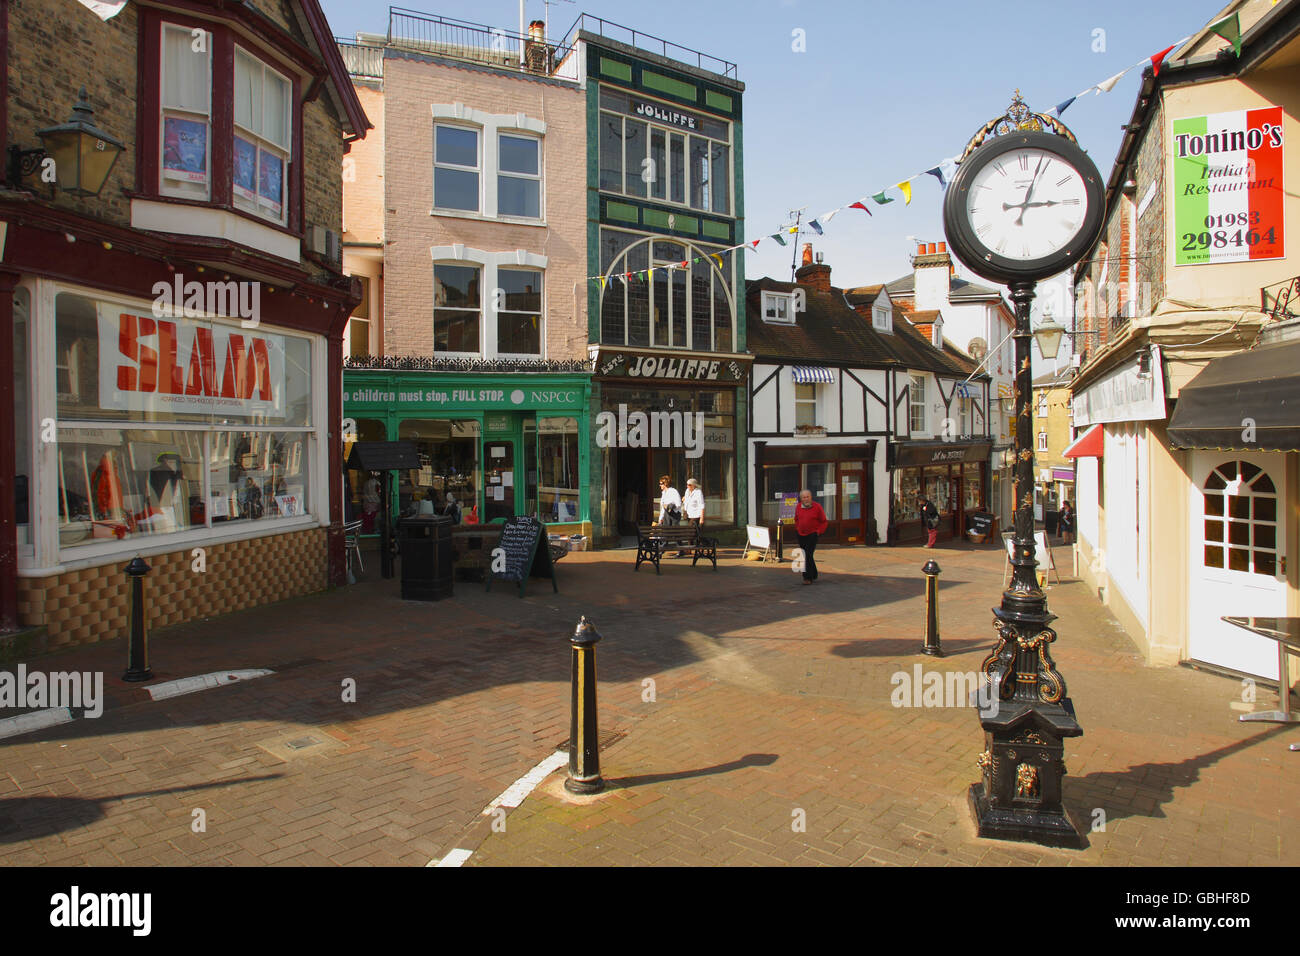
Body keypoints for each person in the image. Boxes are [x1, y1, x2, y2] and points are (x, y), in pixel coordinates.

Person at [795, 489, 828, 584]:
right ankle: (814, 573)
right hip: (801, 534)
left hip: (812, 534)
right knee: (806, 555)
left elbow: (824, 521)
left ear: (811, 497)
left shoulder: (817, 507)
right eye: (804, 497)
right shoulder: (798, 507)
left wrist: (818, 532)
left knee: (807, 555)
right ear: (801, 499)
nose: (806, 499)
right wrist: (797, 528)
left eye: (807, 497)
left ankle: (807, 578)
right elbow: (796, 519)